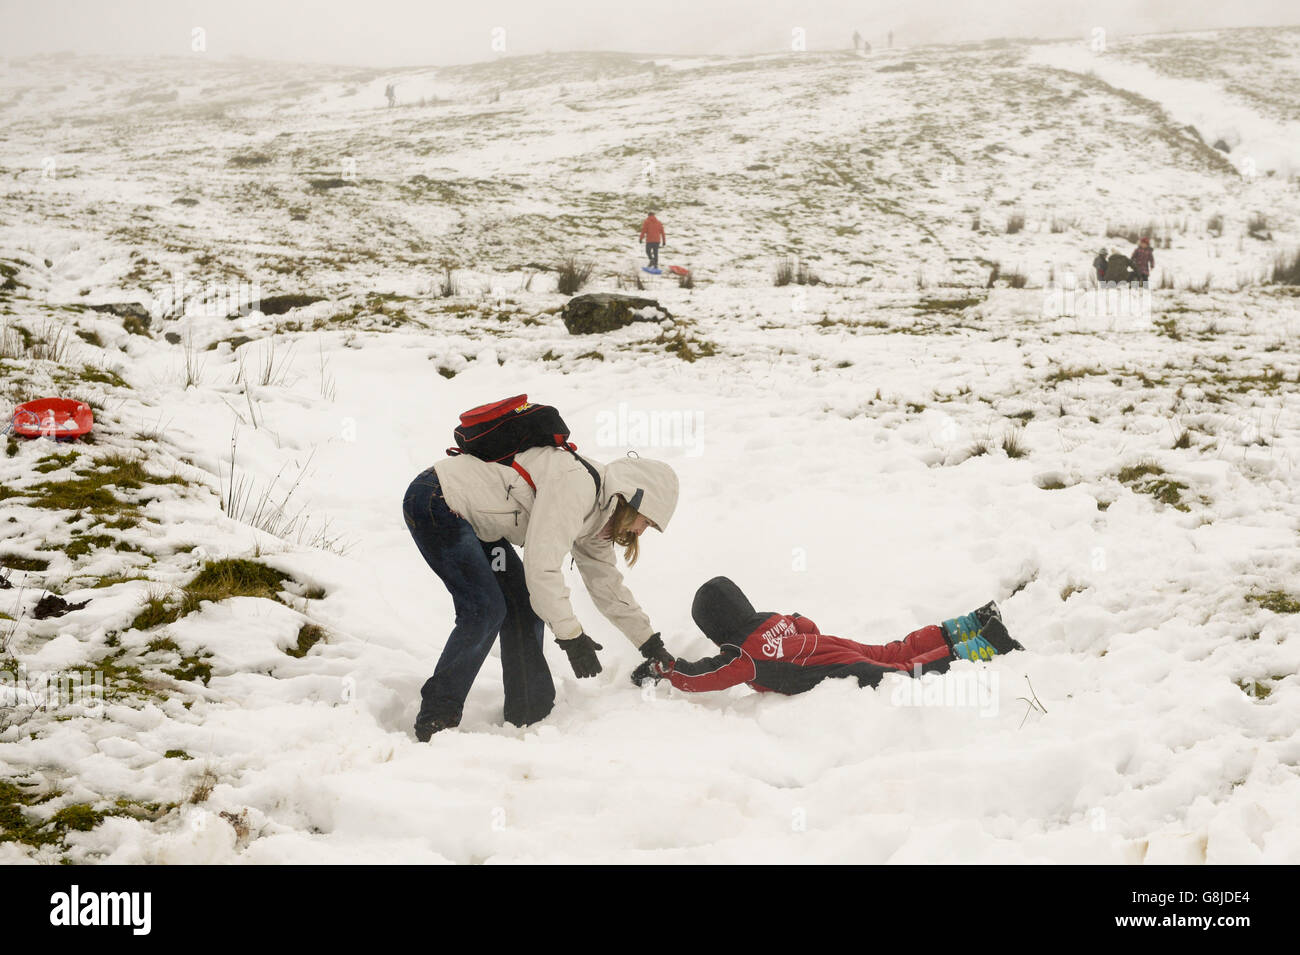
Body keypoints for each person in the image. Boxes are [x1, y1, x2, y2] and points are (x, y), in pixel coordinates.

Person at [403, 447, 679, 738]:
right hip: (438, 500)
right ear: (633, 500)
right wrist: (571, 637)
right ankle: (437, 718)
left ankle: (529, 713)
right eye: (646, 521)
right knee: (485, 608)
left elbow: (606, 585)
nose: (641, 531)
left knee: (523, 605)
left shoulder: (599, 518)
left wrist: (649, 644)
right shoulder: (577, 486)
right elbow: (542, 569)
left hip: (477, 523)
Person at [631, 576, 1022, 695]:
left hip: (836, 665)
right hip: (832, 645)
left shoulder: (741, 655)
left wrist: (665, 669)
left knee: (904, 672)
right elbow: (805, 624)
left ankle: (988, 645)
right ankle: (972, 622)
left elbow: (704, 677)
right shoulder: (771, 617)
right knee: (893, 650)